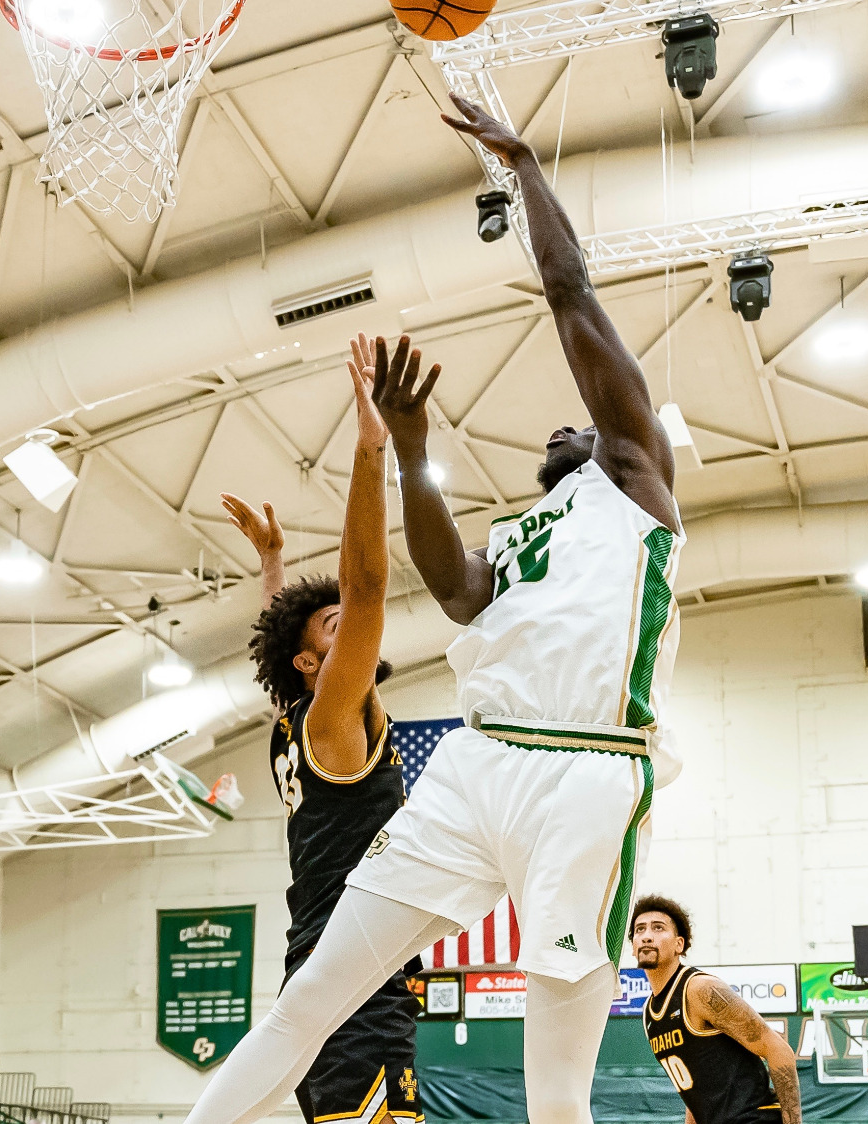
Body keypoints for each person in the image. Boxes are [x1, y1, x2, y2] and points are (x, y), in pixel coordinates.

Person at [184, 94, 685, 1124]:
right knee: (306, 999)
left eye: (572, 424)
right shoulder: (519, 534)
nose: (559, 428)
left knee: (555, 1095)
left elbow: (568, 288)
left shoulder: (634, 478)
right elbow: (452, 587)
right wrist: (411, 452)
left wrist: (523, 171)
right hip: (474, 760)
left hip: (583, 768)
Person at [220, 336, 419, 1124]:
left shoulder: (292, 723)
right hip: (354, 991)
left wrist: (273, 565)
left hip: (328, 978)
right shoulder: (335, 718)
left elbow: (289, 641)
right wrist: (373, 451)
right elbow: (365, 584)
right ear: (314, 666)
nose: (358, 632)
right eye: (336, 631)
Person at [630, 896, 798, 1124]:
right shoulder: (649, 1013)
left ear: (679, 944)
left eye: (658, 928)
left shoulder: (700, 989)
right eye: (640, 930)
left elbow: (778, 1049)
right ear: (633, 946)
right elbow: (695, 1094)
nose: (647, 935)